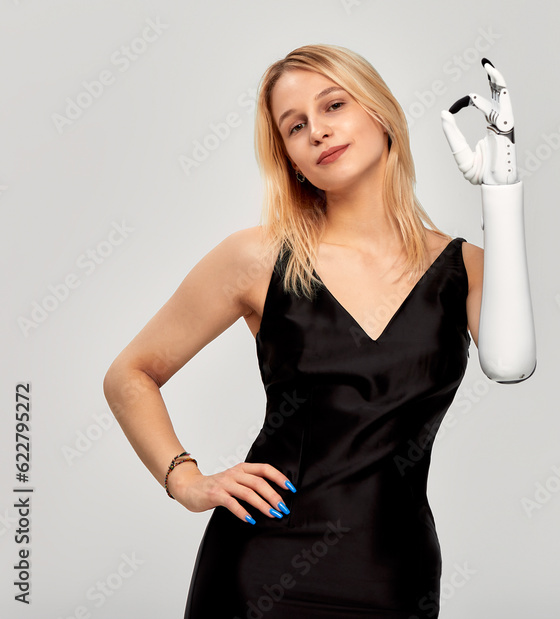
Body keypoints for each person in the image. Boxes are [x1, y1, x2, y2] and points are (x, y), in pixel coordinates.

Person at [102, 44, 536, 618]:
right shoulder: (258, 257)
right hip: (258, 570)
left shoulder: (468, 268)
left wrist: (501, 194)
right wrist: (185, 479)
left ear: (380, 112)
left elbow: (510, 365)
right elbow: (130, 374)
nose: (318, 131)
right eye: (295, 126)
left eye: (333, 105)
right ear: (290, 159)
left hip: (393, 577)